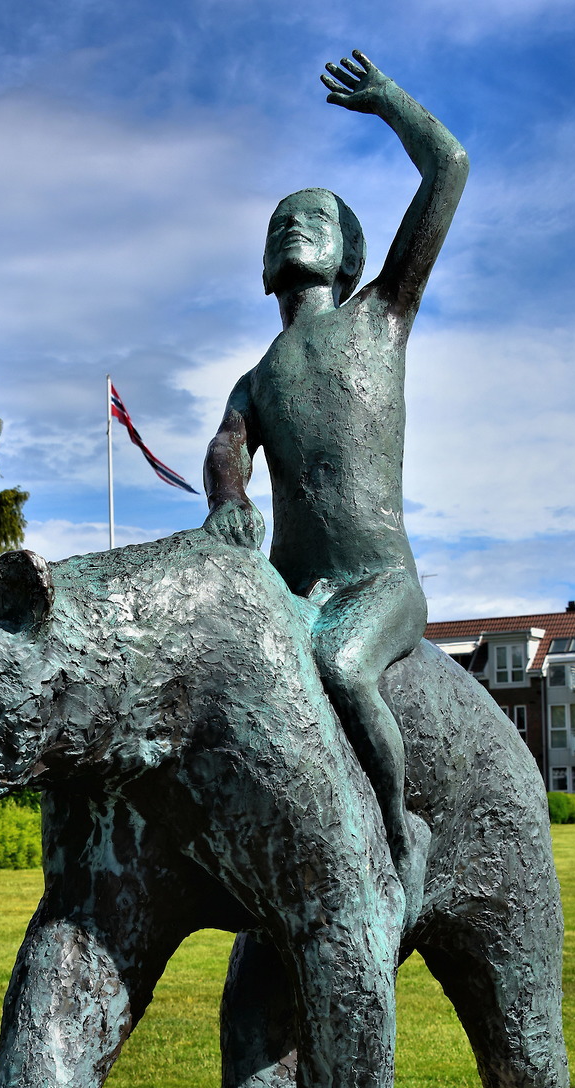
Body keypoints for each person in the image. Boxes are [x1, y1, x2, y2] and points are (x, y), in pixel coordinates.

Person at [203, 49, 468, 923]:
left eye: (312, 217)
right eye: (280, 219)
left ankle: (400, 837)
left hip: (377, 584)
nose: (291, 226)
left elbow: (448, 167)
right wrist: (230, 498)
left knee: (340, 668)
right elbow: (226, 445)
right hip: (294, 586)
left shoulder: (382, 316)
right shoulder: (257, 374)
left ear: (349, 253)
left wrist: (389, 100)